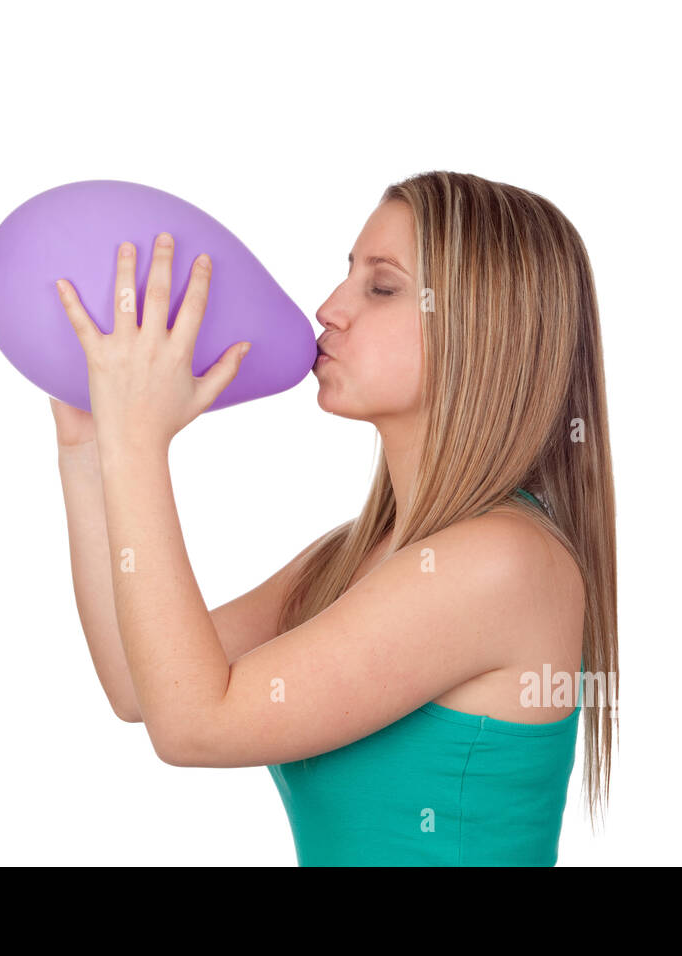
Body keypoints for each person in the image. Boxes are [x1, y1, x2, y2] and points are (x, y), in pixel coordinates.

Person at [50, 170, 617, 865]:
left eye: (381, 287)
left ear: (484, 325)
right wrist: (90, 444)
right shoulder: (350, 559)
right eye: (346, 275)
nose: (329, 308)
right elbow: (139, 687)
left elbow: (194, 724)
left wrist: (138, 445)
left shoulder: (503, 562)